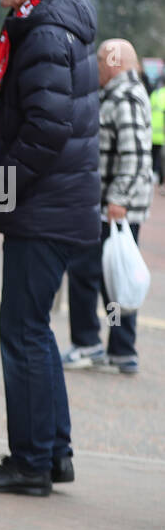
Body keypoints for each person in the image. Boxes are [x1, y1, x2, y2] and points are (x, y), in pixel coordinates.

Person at [0, 0, 99, 497]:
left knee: (21, 332)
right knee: (33, 331)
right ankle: (53, 453)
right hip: (57, 205)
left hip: (45, 208)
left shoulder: (45, 29)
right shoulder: (52, 17)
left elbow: (47, 126)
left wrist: (3, 185)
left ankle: (30, 462)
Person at [62, 38, 152, 376]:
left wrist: (119, 197)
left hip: (110, 206)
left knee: (87, 274)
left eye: (100, 61)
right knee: (114, 277)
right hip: (115, 206)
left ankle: (89, 343)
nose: (95, 67)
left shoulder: (123, 97)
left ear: (113, 62)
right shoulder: (125, 94)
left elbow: (136, 155)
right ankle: (120, 348)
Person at [150, 74, 165, 183]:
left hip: (152, 132)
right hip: (162, 133)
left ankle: (153, 174)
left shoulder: (154, 94)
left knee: (153, 156)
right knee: (161, 159)